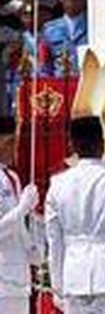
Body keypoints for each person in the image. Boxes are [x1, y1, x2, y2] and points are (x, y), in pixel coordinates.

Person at [45, 116, 105, 313]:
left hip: (74, 275)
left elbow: (54, 241)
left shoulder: (58, 184)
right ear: (102, 143)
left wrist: (57, 286)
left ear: (72, 145)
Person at [0, 117, 39, 314]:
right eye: (8, 143)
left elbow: (17, 226)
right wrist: (22, 208)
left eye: (14, 143)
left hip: (18, 277)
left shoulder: (13, 177)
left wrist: (31, 247)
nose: (13, 149)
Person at [43, 0, 88, 76]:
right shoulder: (49, 29)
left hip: (88, 86)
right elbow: (45, 67)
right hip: (59, 88)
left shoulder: (95, 25)